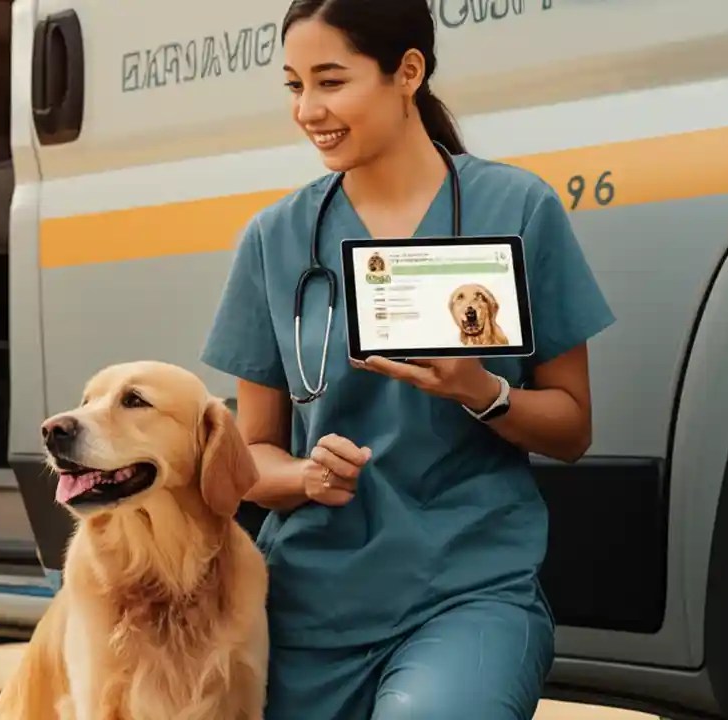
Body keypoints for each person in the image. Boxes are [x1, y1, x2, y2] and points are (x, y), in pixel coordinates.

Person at [199, 0, 616, 718]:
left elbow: (573, 428)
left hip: (468, 593)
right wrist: (305, 474)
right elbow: (252, 458)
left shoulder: (517, 207)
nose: (308, 110)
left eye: (331, 81)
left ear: (408, 72)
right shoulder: (275, 239)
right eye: (294, 85)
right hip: (311, 608)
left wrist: (481, 390)